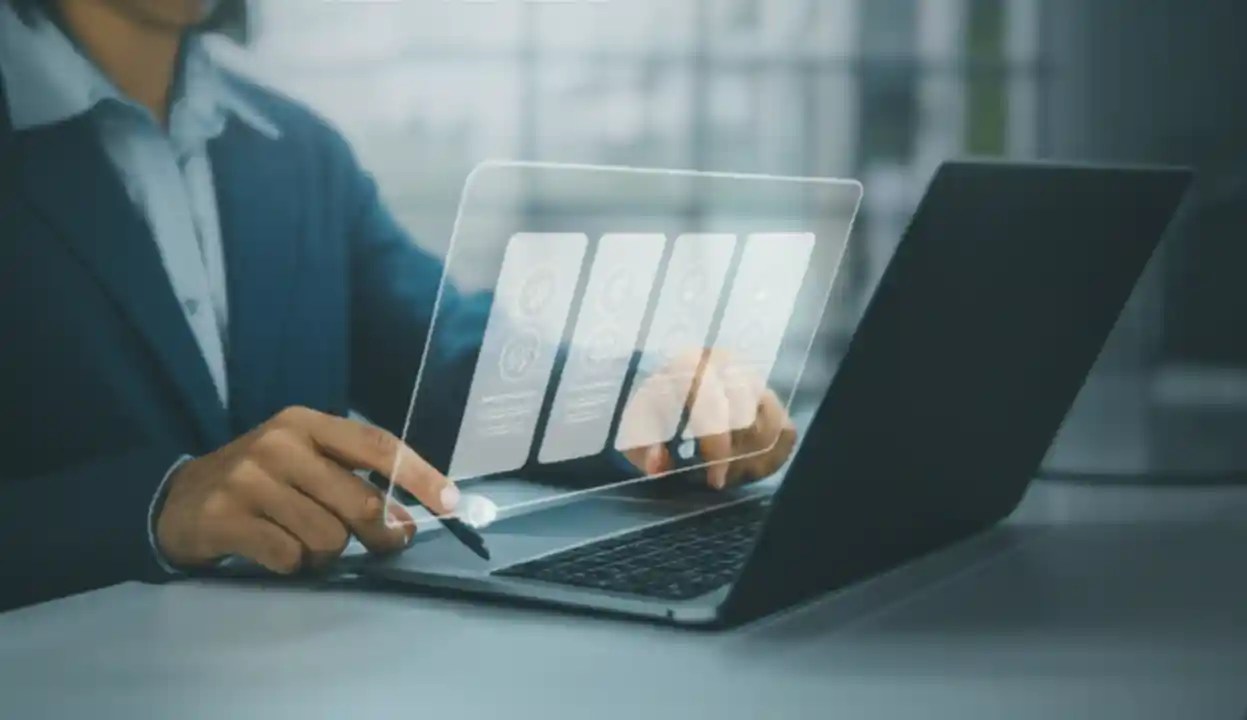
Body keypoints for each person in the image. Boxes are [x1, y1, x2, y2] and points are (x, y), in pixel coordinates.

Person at [0, 0, 797, 610]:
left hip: (287, 668)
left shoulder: (296, 151)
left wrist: (644, 402)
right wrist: (152, 507)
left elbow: (447, 364)